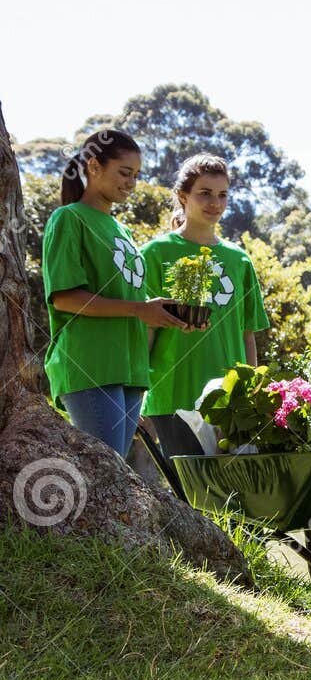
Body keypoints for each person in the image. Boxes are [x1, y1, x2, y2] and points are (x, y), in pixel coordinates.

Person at [42, 129, 189, 456]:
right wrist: (140, 310)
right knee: (105, 477)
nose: (132, 183)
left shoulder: (122, 230)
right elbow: (65, 298)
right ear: (93, 167)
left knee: (116, 478)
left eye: (137, 176)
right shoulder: (68, 219)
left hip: (130, 368)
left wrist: (169, 314)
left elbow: (136, 301)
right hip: (90, 365)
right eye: (125, 173)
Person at [140, 154, 269, 458]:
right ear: (183, 197)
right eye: (205, 193)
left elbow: (247, 334)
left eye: (222, 195)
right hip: (172, 397)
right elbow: (144, 331)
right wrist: (139, 396)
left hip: (229, 403)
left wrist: (249, 395)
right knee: (187, 499)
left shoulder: (239, 260)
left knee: (230, 499)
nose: (215, 203)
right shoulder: (155, 253)